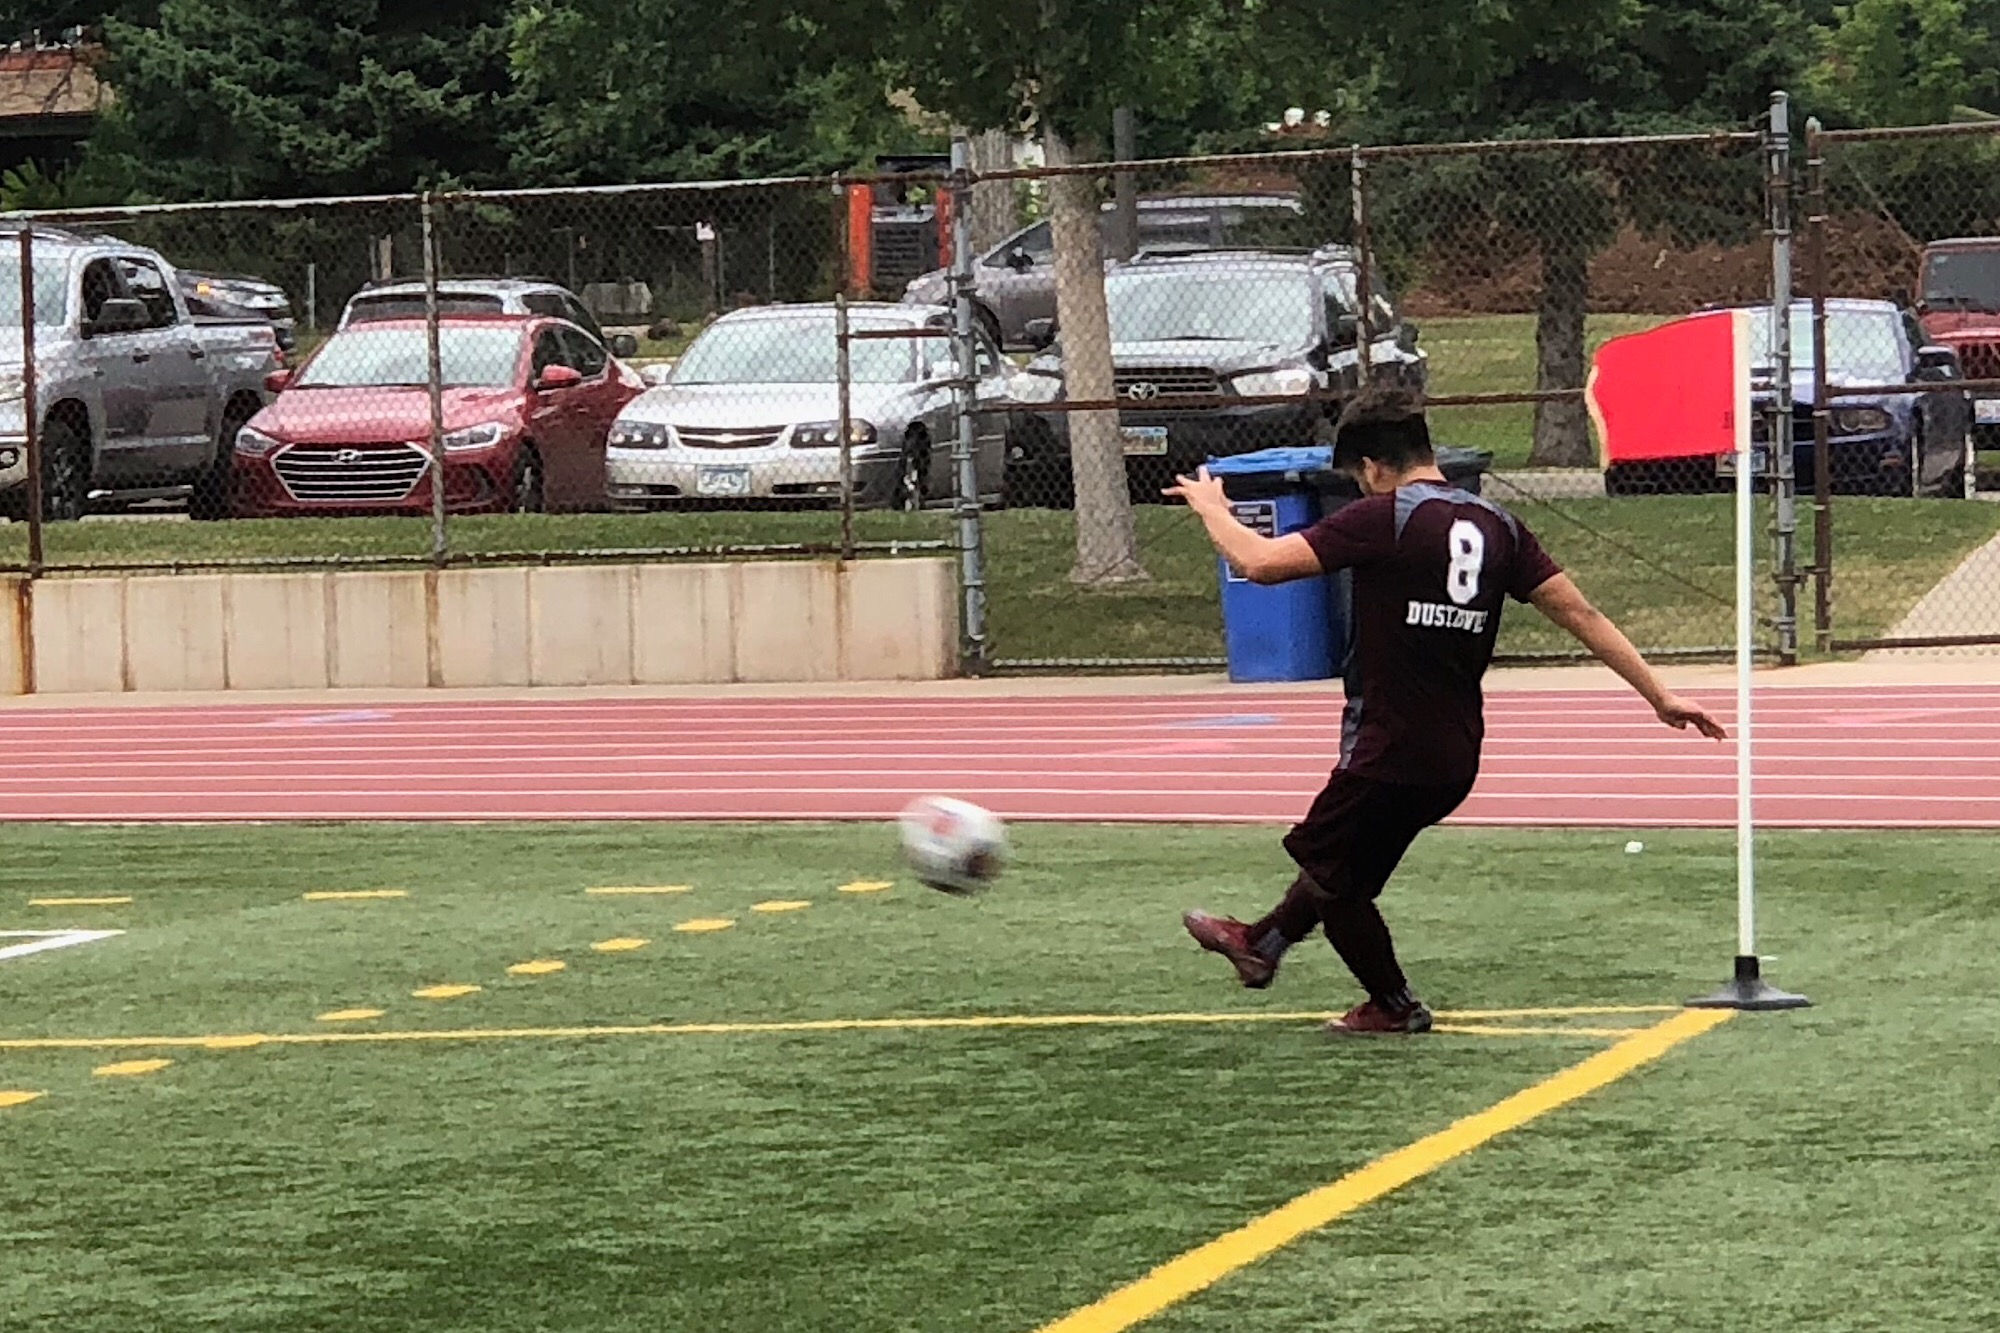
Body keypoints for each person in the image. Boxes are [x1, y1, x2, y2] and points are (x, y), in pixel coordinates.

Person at [1168, 391, 1727, 1035]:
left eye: (1358, 478)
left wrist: (1214, 510)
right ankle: (1265, 946)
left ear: (1374, 467)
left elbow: (1260, 564)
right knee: (1339, 868)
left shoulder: (1385, 517)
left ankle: (1375, 998)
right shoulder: (1499, 526)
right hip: (1455, 752)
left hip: (1386, 747)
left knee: (1336, 878)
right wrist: (1659, 694)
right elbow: (1581, 613)